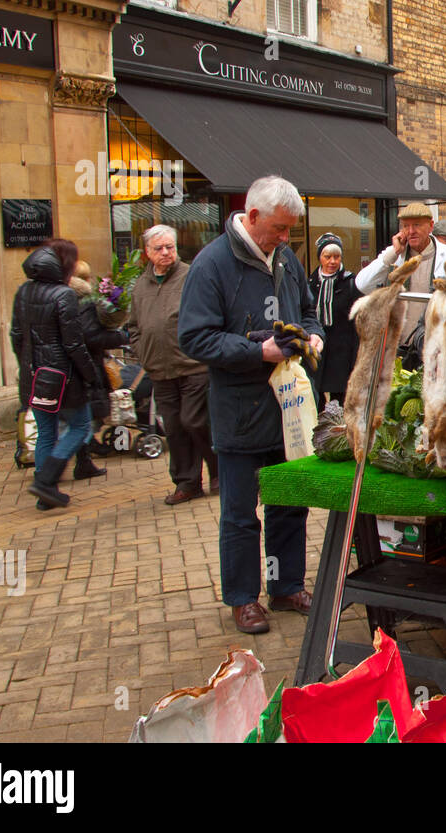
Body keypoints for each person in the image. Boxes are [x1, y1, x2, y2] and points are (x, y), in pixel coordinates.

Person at [178, 176, 323, 635]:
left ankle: (284, 587)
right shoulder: (211, 265)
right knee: (240, 514)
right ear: (252, 215)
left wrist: (313, 333)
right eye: (280, 229)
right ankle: (243, 598)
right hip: (239, 412)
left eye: (290, 232)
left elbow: (307, 310)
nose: (286, 239)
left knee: (288, 505)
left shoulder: (286, 260)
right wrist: (257, 353)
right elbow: (195, 338)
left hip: (289, 410)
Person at [129, 224, 218, 506]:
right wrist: (142, 351)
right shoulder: (140, 285)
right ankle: (186, 482)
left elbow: (209, 314)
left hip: (193, 365)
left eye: (170, 247)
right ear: (147, 253)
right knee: (174, 428)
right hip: (159, 369)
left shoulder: (191, 275)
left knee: (194, 420)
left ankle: (219, 471)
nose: (166, 252)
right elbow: (133, 326)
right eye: (159, 248)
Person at [10, 239, 100, 509]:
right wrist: (90, 374)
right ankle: (46, 481)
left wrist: (27, 365)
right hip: (63, 378)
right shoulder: (64, 295)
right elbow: (73, 343)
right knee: (80, 426)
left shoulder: (23, 291)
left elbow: (16, 335)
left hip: (34, 377)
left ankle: (44, 495)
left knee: (46, 432)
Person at [356, 203, 446, 364]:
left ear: (431, 226)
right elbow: (362, 284)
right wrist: (393, 253)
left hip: (435, 349)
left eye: (417, 225)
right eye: (406, 226)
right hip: (398, 348)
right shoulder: (394, 256)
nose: (411, 231)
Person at [69, 260, 127, 484]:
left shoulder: (53, 295)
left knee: (74, 417)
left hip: (63, 367)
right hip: (86, 364)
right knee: (84, 417)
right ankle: (51, 472)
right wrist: (122, 337)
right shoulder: (84, 300)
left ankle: (81, 457)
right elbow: (90, 335)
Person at [308, 232, 362, 404]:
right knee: (315, 395)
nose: (332, 261)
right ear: (320, 258)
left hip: (342, 352)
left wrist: (356, 355)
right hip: (318, 349)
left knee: (339, 400)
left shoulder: (351, 283)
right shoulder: (309, 283)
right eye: (327, 257)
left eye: (336, 257)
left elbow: (357, 321)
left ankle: (337, 431)